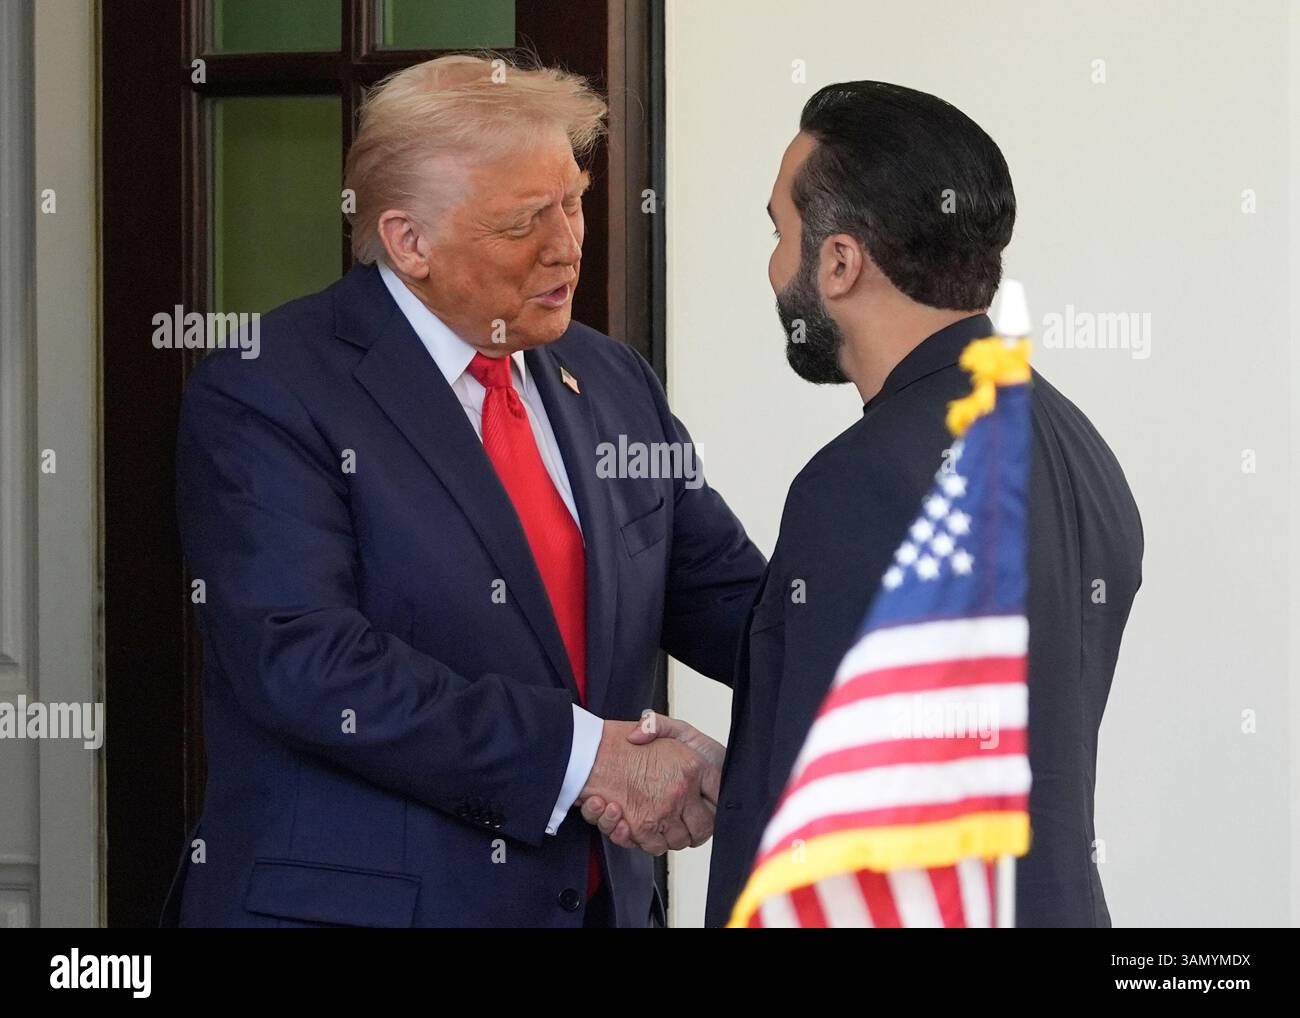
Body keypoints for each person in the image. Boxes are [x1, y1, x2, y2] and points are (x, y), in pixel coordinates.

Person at [162, 54, 764, 928]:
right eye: (525, 222)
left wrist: (904, 656)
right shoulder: (269, 388)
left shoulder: (612, 378)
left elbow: (729, 600)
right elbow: (307, 663)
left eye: (575, 198)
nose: (568, 243)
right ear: (410, 242)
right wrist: (589, 757)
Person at [589, 81, 1142, 928]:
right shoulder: (1077, 448)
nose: (776, 267)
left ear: (840, 262)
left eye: (780, 232)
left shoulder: (862, 479)